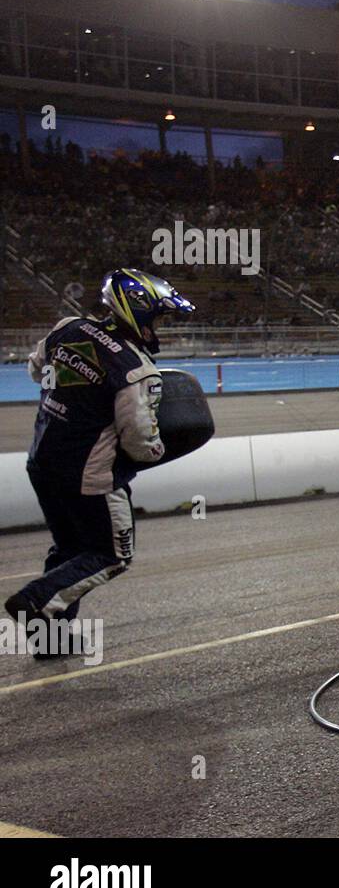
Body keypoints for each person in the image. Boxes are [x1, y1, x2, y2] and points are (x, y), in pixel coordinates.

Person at [5, 269, 195, 655]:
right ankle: (34, 600)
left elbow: (33, 369)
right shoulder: (136, 371)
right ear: (138, 314)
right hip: (91, 478)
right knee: (112, 555)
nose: (161, 327)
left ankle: (49, 643)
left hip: (42, 463)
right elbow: (141, 443)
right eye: (159, 318)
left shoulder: (67, 328)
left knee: (69, 549)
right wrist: (163, 449)